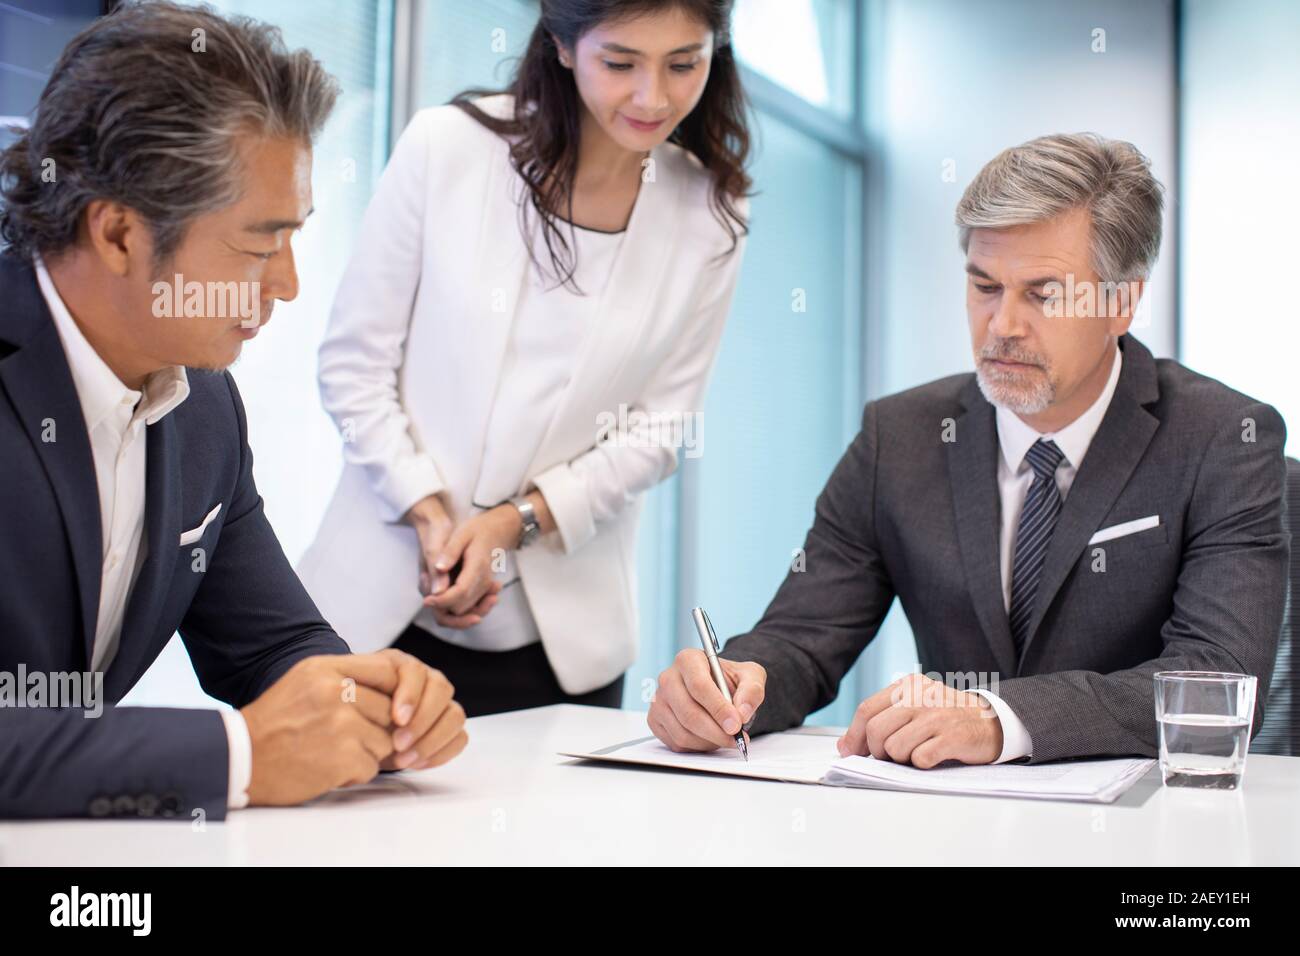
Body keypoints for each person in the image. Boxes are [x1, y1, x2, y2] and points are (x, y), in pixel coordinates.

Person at [648, 133, 1287, 767]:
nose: (1002, 325)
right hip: (956, 822)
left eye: (1044, 294)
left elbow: (1216, 680)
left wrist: (1002, 720)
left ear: (1122, 303)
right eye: (985, 287)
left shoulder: (1222, 438)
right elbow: (803, 638)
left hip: (1151, 825)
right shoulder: (898, 437)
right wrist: (734, 683)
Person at [0, 1, 466, 820]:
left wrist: (370, 701)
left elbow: (273, 646)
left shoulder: (203, 402)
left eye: (295, 240)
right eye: (258, 246)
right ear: (117, 234)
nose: (286, 284)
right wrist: (235, 756)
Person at [298, 0, 752, 716]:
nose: (652, 96)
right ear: (566, 47)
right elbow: (354, 364)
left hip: (559, 646)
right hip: (370, 612)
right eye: (621, 62)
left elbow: (661, 430)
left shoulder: (709, 213)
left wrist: (515, 523)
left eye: (683, 63)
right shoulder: (446, 149)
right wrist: (429, 516)